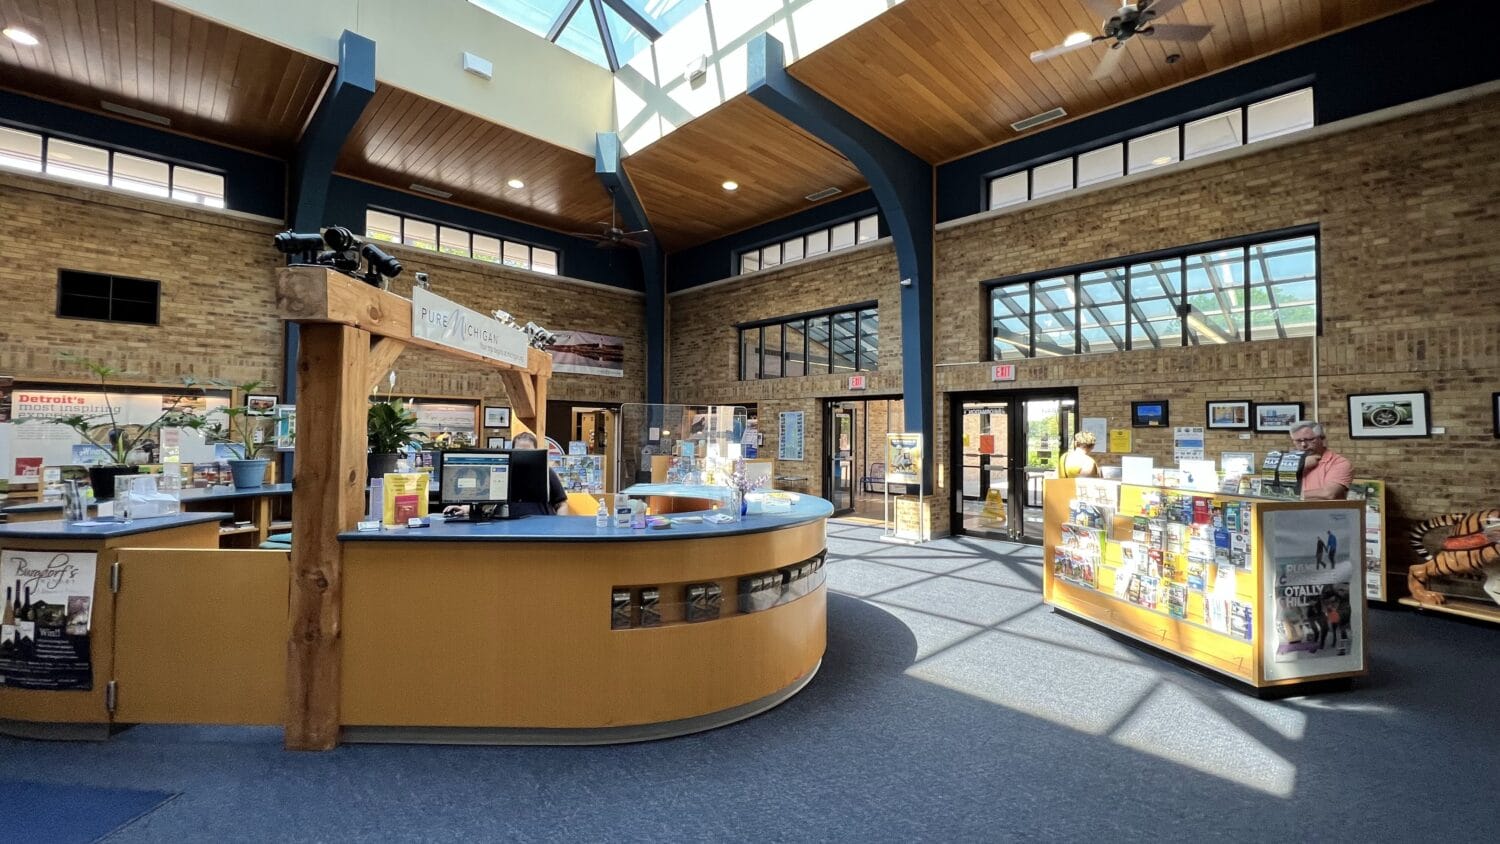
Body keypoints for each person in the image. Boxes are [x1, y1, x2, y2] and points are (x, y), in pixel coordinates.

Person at [442, 432, 571, 518]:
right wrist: (464, 508)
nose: (524, 456)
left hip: (542, 526)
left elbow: (561, 504)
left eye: (529, 452)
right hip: (508, 526)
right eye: (520, 451)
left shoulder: (546, 472)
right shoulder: (501, 471)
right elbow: (485, 497)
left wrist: (559, 527)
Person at [1288, 421, 1352, 500]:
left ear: (1322, 439)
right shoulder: (1290, 461)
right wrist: (1300, 465)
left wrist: (1289, 494)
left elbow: (1328, 494)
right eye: (1298, 441)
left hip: (1324, 511)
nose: (1303, 445)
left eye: (1309, 439)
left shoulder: (1339, 463)